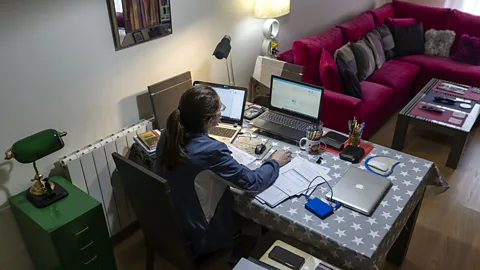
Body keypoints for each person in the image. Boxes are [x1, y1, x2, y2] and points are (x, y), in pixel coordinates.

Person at [154, 85, 292, 256]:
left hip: (169, 224)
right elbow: (252, 182)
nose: (221, 114)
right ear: (209, 120)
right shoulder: (212, 151)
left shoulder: (169, 133)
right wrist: (274, 162)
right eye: (220, 110)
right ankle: (244, 255)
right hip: (200, 233)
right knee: (250, 211)